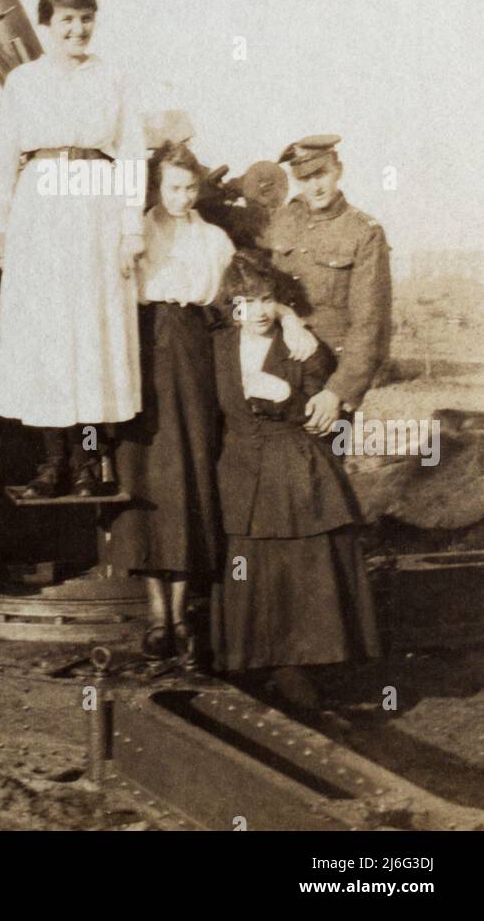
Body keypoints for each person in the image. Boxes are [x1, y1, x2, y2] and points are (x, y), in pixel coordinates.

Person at [113, 146, 319, 663]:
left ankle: (178, 617)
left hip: (195, 352)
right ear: (156, 187)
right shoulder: (133, 232)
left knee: (188, 475)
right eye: (172, 188)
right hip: (139, 348)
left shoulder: (214, 239)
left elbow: (250, 297)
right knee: (142, 475)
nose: (181, 198)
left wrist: (290, 319)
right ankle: (155, 614)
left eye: (189, 188)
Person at [0, 0, 145, 498]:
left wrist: (131, 228)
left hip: (97, 196)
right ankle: (52, 462)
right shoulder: (24, 82)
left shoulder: (114, 78)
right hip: (42, 203)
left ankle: (87, 463)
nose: (78, 29)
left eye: (86, 18)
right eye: (67, 20)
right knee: (48, 329)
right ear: (47, 27)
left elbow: (133, 154)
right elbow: (4, 154)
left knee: (92, 329)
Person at [210, 249, 381, 711]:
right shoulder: (218, 347)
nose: (259, 310)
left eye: (268, 299)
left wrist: (286, 395)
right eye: (247, 301)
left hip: (294, 468)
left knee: (298, 570)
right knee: (249, 570)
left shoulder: (302, 346)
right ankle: (255, 666)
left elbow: (321, 417)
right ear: (232, 304)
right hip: (240, 470)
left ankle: (301, 671)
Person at [266, 135, 392, 436]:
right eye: (304, 178)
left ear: (338, 169)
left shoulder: (364, 232)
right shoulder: (282, 220)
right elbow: (260, 286)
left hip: (328, 377)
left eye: (321, 174)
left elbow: (370, 323)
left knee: (324, 475)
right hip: (279, 365)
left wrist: (338, 392)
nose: (315, 186)